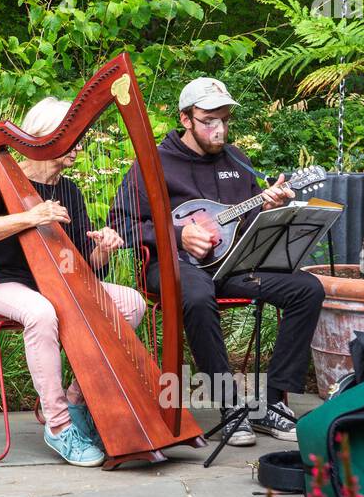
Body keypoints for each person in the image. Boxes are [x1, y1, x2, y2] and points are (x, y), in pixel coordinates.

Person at [107, 77, 324, 446]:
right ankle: (230, 409)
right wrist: (178, 236)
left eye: (224, 119)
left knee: (309, 289)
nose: (219, 129)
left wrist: (272, 207)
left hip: (232, 265)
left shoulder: (238, 160)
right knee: (195, 296)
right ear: (186, 118)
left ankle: (270, 403)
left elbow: (250, 223)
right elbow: (120, 223)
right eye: (209, 120)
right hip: (175, 266)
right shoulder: (154, 163)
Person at [0, 97, 147, 468]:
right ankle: (59, 426)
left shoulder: (70, 191)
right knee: (41, 313)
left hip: (55, 286)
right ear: (44, 138)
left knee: (131, 303)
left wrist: (104, 250)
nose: (79, 146)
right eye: (70, 138)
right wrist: (30, 216)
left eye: (78, 138)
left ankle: (77, 401)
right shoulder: (0, 180)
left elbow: (84, 268)